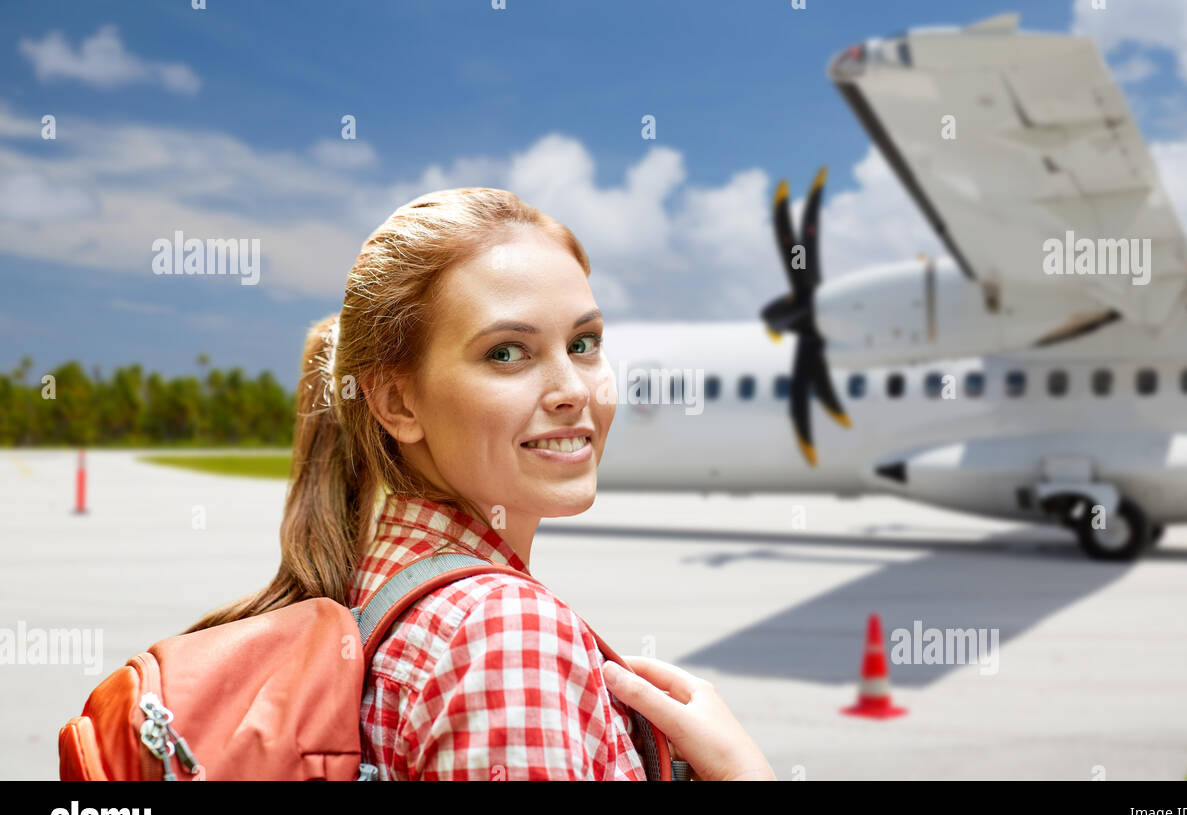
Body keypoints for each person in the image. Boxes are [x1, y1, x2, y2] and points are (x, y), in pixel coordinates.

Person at [186, 187, 775, 781]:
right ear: (397, 402)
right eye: (507, 353)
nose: (572, 389)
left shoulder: (374, 586)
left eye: (583, 343)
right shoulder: (506, 637)